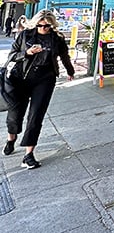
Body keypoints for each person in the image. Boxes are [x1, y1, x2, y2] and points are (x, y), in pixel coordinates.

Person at [3, 9, 75, 169]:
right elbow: (12, 55)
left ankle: (28, 155)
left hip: (45, 79)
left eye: (47, 26)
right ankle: (11, 138)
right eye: (40, 25)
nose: (43, 28)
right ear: (35, 24)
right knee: (15, 114)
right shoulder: (25, 35)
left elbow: (64, 56)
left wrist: (70, 71)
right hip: (20, 78)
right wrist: (27, 52)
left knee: (36, 116)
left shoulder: (57, 39)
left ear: (52, 25)